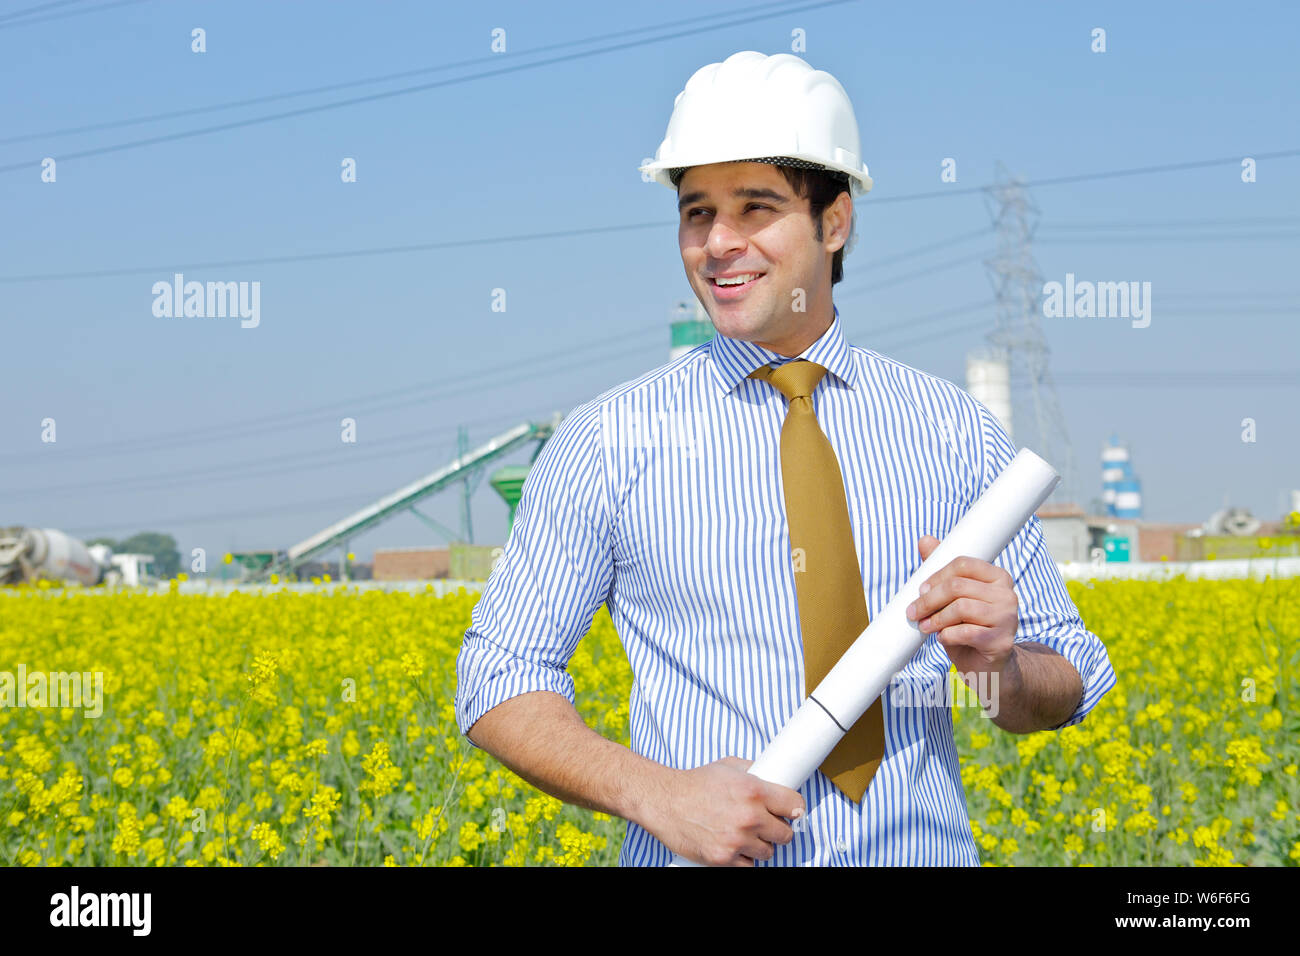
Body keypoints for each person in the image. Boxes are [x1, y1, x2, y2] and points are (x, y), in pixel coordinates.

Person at [454, 50, 1116, 866]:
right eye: (697, 214)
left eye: (755, 208)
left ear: (834, 221)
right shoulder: (608, 443)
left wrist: (1000, 669)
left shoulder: (952, 430)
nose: (718, 244)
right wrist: (657, 795)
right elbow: (498, 674)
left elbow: (1062, 680)